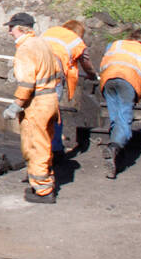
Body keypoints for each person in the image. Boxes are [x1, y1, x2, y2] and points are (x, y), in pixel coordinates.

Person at [1, 12, 64, 203]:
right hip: (51, 99)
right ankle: (45, 180)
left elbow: (27, 83)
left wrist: (16, 105)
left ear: (19, 28)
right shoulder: (43, 43)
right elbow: (58, 69)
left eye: (11, 28)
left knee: (34, 145)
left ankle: (43, 190)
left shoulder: (25, 49)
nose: (9, 32)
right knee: (45, 143)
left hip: (37, 104)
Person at [98, 29, 141, 179]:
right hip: (128, 81)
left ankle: (117, 158)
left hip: (108, 79)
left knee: (115, 118)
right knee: (124, 118)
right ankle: (114, 147)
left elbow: (104, 61)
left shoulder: (115, 44)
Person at [40, 19, 98, 156]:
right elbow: (86, 63)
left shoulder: (50, 32)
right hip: (54, 72)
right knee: (53, 111)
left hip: (34, 68)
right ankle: (54, 149)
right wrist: (93, 75)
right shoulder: (76, 41)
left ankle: (42, 146)